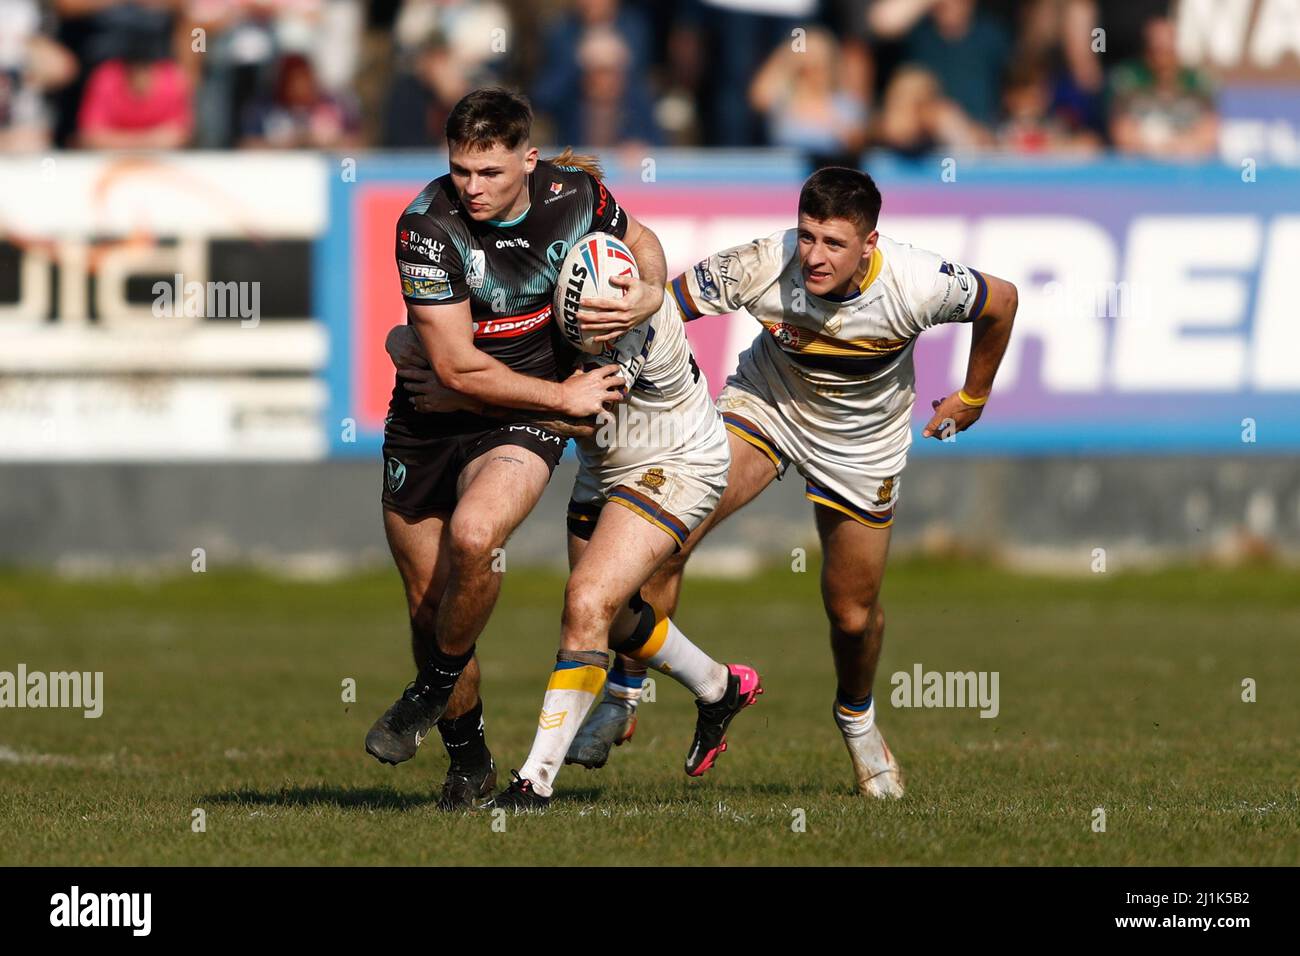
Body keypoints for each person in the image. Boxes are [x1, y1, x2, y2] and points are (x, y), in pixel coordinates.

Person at [568, 166, 1019, 798]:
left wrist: (973, 395)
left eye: (834, 243)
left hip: (862, 445)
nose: (813, 255)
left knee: (852, 615)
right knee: (667, 534)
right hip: (766, 405)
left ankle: (857, 722)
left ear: (870, 243)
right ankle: (623, 691)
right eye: (807, 236)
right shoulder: (762, 261)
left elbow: (1002, 301)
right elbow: (666, 307)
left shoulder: (919, 282)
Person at [363, 87, 668, 810]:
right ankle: (468, 763)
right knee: (429, 604)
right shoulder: (425, 227)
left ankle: (428, 690)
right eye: (461, 170)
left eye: (490, 173)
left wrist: (648, 291)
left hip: (521, 416)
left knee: (476, 535)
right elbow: (457, 367)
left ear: (528, 160)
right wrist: (566, 399)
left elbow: (642, 240)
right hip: (434, 415)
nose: (471, 187)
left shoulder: (575, 195)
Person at [386, 256, 764, 810]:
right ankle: (719, 687)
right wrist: (408, 341)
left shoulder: (618, 303)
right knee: (611, 618)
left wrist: (463, 399)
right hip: (603, 466)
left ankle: (534, 783)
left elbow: (585, 415)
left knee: (587, 600)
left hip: (674, 462)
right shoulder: (537, 273)